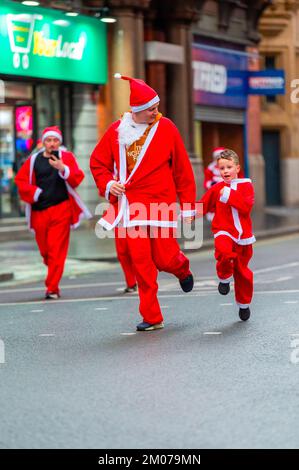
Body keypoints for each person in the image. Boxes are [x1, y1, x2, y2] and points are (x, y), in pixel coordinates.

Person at [90, 73, 196, 331]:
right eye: (151, 109)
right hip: (130, 208)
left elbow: (182, 169)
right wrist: (108, 183)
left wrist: (189, 206)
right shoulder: (116, 130)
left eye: (157, 108)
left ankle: (181, 268)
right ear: (135, 111)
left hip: (160, 205)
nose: (156, 113)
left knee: (164, 258)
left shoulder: (167, 127)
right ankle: (152, 316)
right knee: (142, 264)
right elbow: (98, 162)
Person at [15, 126, 91, 299]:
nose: (52, 143)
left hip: (61, 209)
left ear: (59, 142)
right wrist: (34, 192)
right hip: (39, 212)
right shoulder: (34, 160)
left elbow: (77, 178)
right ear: (43, 142)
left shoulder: (66, 157)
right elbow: (20, 180)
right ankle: (52, 273)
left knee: (57, 250)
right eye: (49, 140)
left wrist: (63, 168)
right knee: (46, 251)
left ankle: (52, 287)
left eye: (55, 140)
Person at [197, 148, 255, 321]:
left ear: (237, 168)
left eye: (229, 167)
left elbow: (245, 207)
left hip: (244, 237)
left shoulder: (246, 186)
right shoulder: (217, 188)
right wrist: (187, 214)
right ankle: (223, 277)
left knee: (243, 273)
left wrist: (229, 194)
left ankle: (244, 304)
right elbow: (203, 204)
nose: (225, 171)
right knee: (223, 250)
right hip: (223, 230)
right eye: (222, 168)